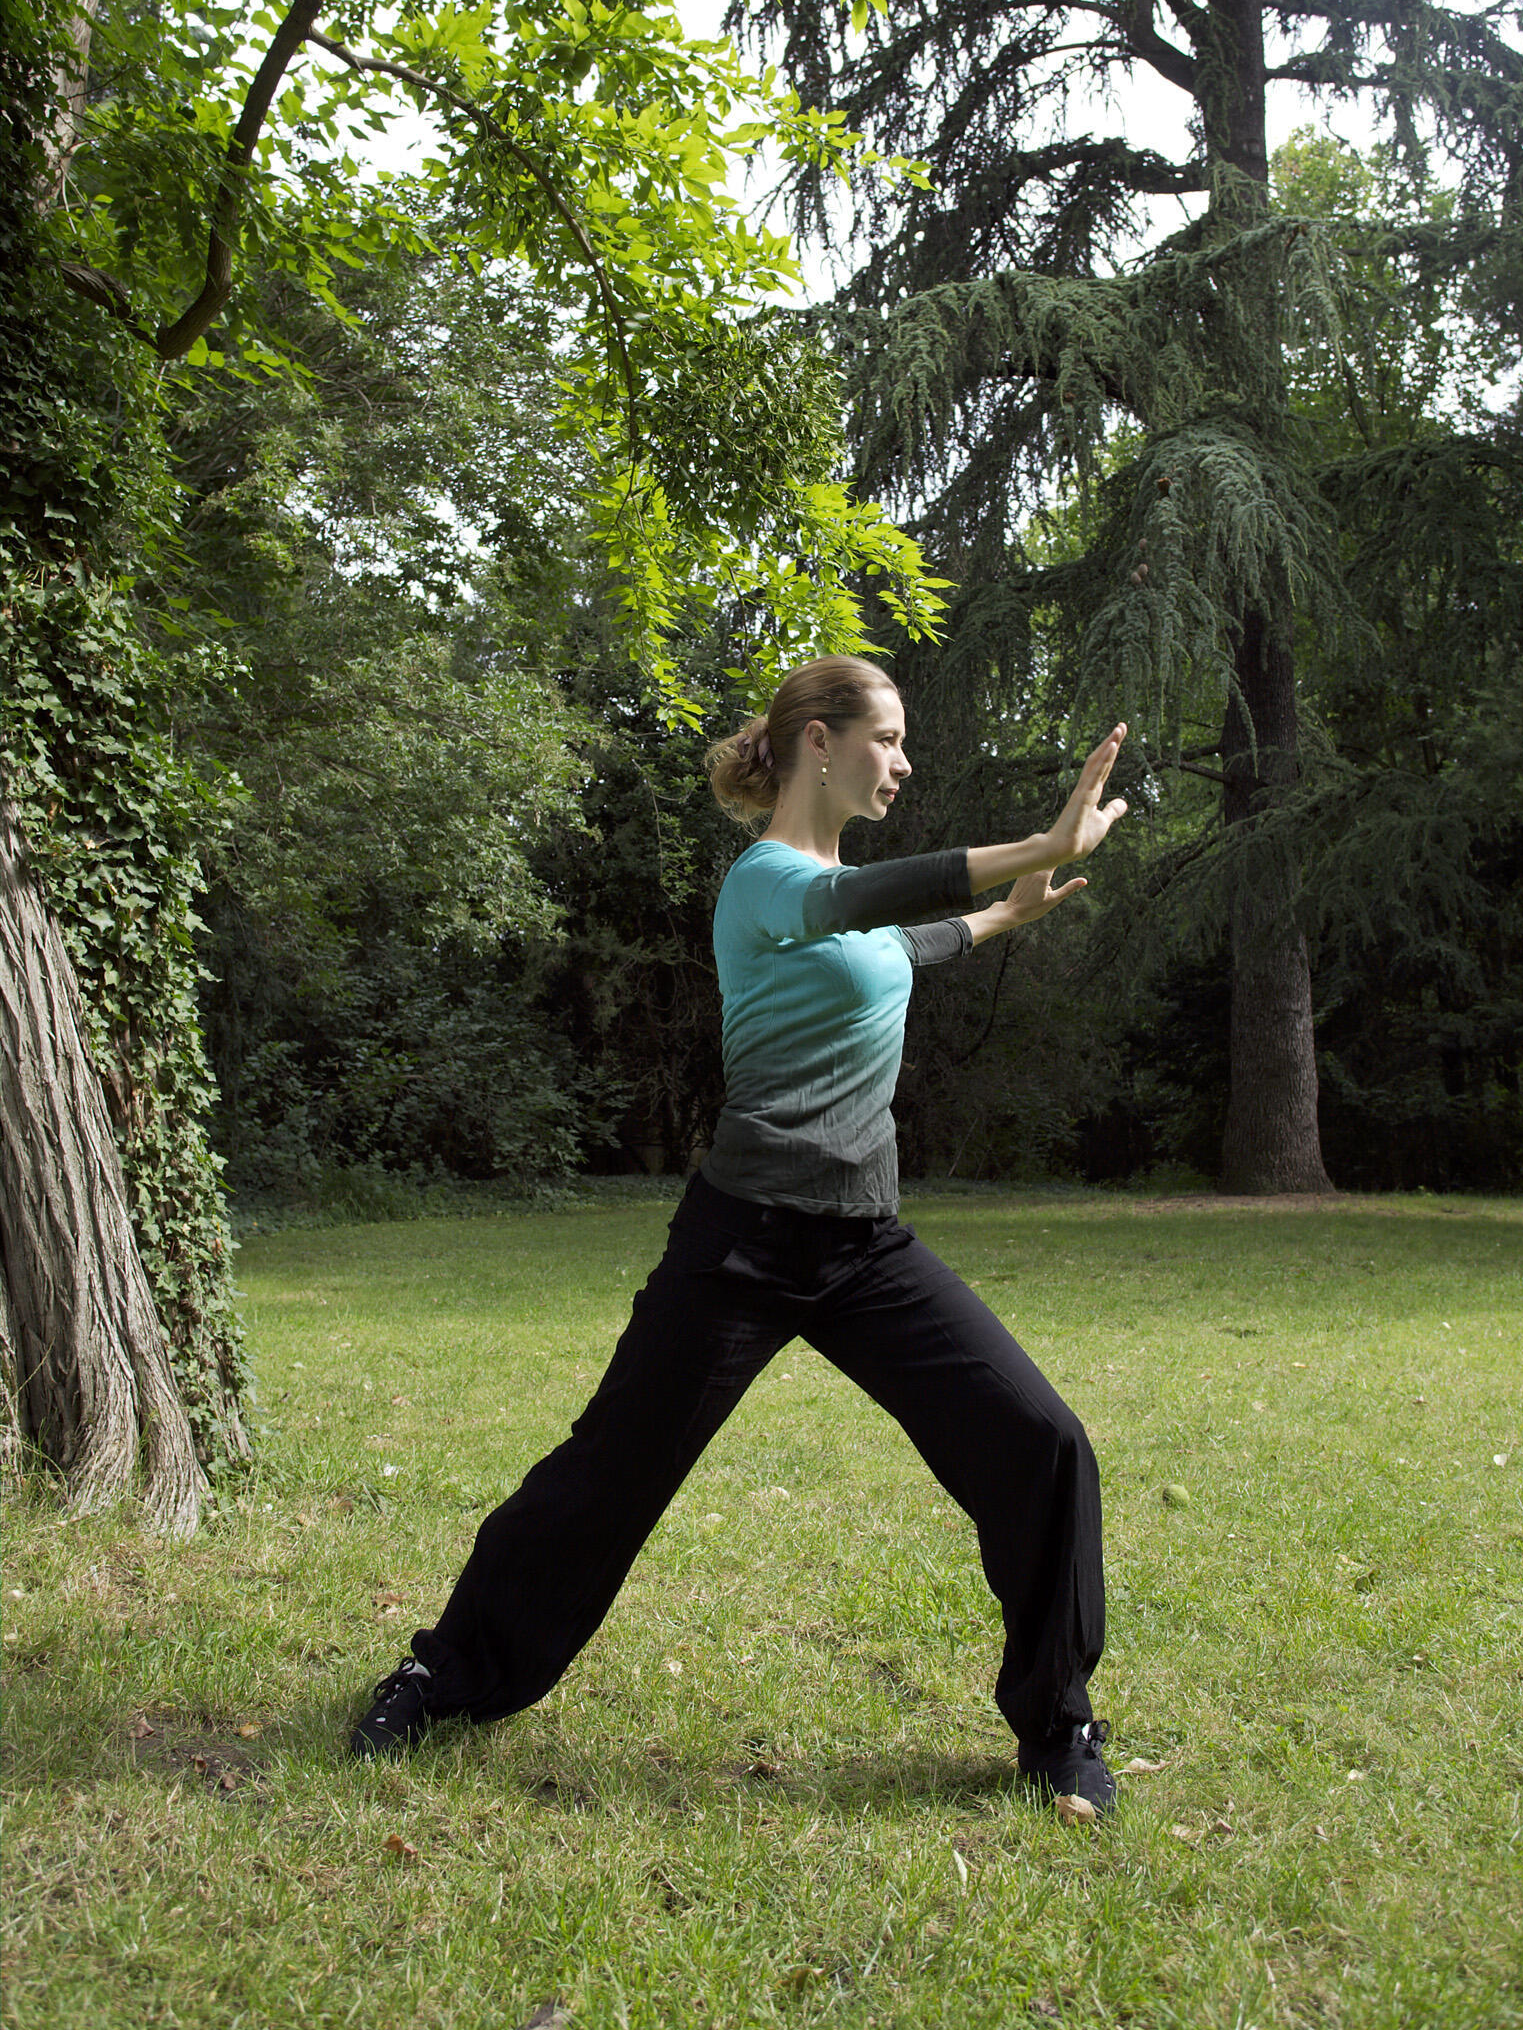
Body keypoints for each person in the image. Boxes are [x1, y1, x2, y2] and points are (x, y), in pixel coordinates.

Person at [350, 655, 1129, 1813]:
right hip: (740, 1249)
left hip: (863, 1249)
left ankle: (1058, 1727)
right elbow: (851, 908)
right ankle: (441, 1675)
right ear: (818, 741)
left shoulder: (845, 907)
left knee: (1041, 1443)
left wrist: (997, 918)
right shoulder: (766, 880)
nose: (902, 762)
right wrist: (1035, 846)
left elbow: (896, 944)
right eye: (886, 739)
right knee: (605, 1473)